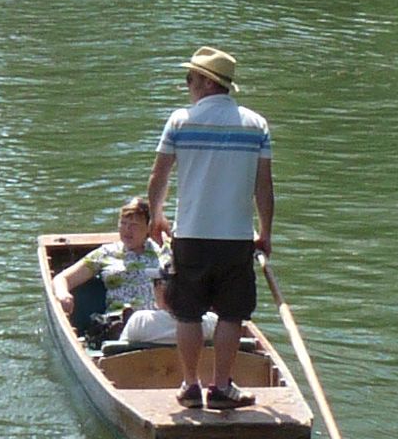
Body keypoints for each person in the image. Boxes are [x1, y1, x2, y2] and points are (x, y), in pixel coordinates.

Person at [147, 47, 274, 411]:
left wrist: (156, 215)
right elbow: (264, 187)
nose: (187, 86)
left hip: (191, 236)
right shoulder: (256, 125)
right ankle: (221, 388)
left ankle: (190, 386)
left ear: (205, 82)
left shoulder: (180, 121)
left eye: (190, 79)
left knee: (187, 312)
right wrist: (265, 232)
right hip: (235, 238)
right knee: (232, 314)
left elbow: (159, 176)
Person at [51, 196, 200, 346]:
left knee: (205, 322)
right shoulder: (106, 253)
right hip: (120, 322)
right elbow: (62, 278)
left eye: (134, 225)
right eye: (123, 223)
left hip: (157, 320)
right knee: (136, 321)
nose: (127, 230)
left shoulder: (162, 252)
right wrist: (63, 294)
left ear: (148, 228)